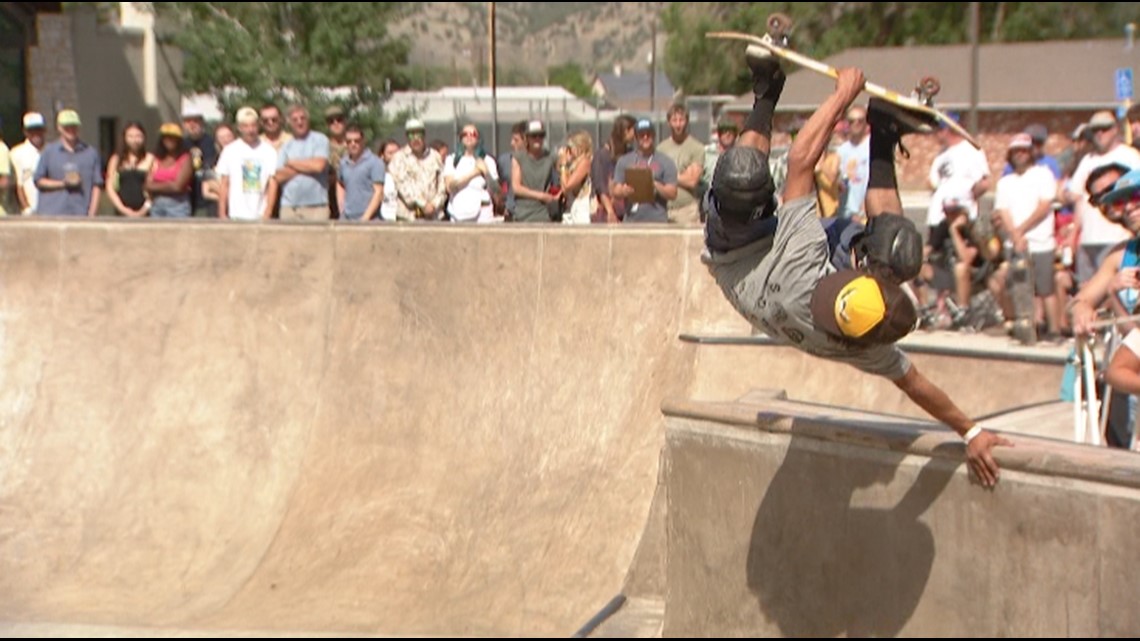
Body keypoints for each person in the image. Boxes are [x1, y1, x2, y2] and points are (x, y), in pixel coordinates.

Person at [701, 48, 1009, 487]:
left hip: (732, 254)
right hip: (781, 268)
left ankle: (768, 93)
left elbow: (800, 162)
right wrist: (971, 431)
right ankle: (882, 131)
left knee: (742, 177)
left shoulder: (805, 268)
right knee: (897, 253)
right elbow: (916, 385)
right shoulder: (867, 347)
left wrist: (843, 94)